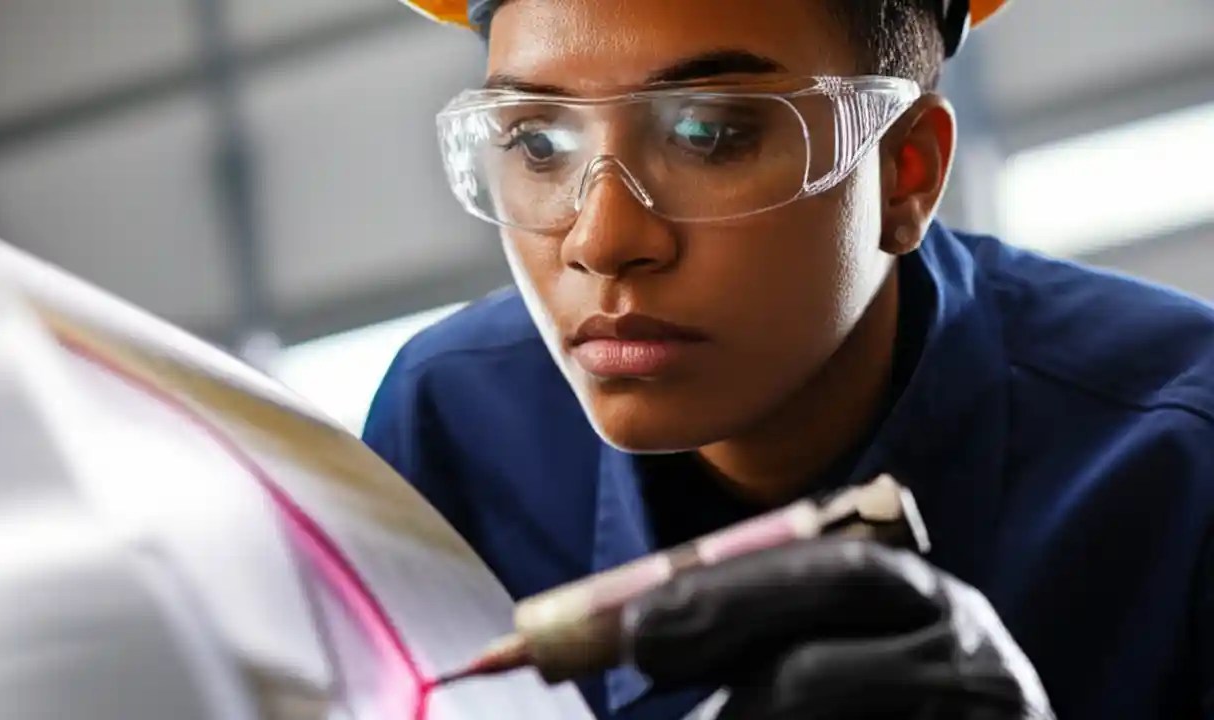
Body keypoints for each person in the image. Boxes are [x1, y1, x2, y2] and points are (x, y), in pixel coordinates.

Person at [363, 1, 1214, 717]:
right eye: (538, 144)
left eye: (708, 132)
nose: (602, 240)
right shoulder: (448, 433)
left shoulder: (1185, 464)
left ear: (904, 172)